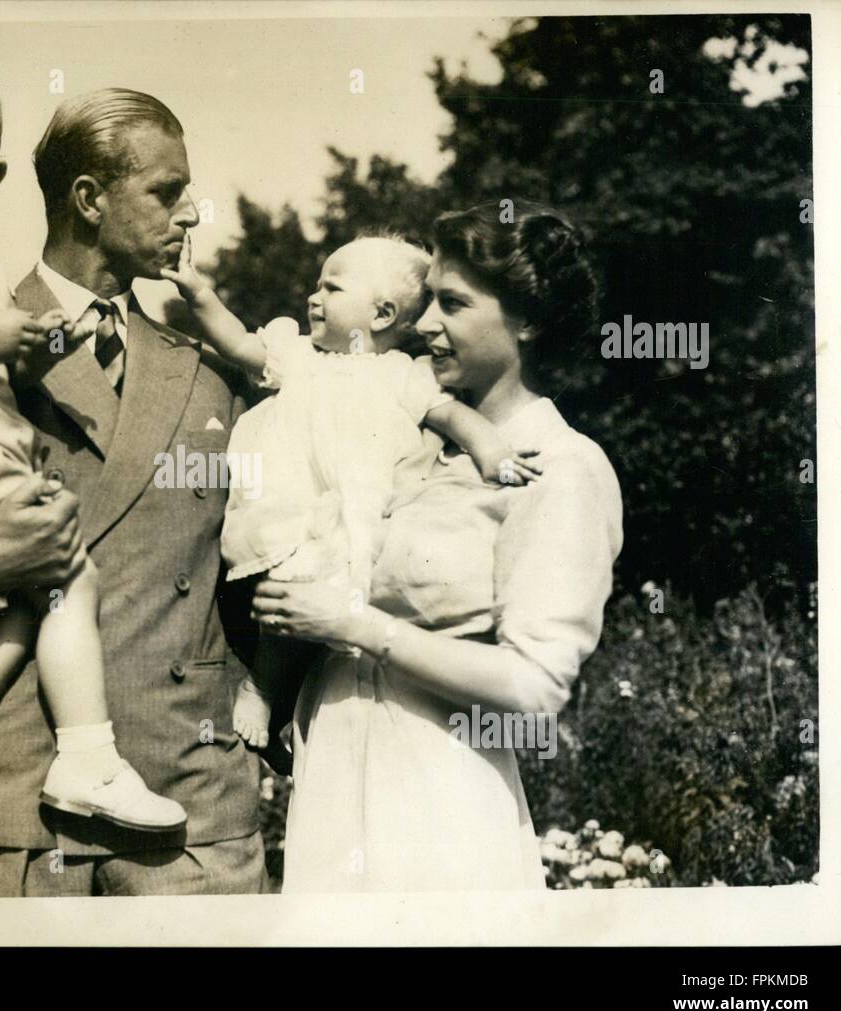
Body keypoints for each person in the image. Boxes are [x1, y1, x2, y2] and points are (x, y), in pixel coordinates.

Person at [0, 86, 270, 896]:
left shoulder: (214, 368)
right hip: (19, 813)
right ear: (88, 198)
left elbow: (272, 553)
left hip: (189, 809)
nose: (190, 214)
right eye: (166, 191)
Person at [249, 202, 624, 892]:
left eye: (452, 303)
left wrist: (351, 624)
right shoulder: (421, 449)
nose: (424, 325)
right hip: (332, 782)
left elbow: (534, 687)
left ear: (529, 320)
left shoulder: (561, 467)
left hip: (437, 805)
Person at [161, 234, 541, 749]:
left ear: (382, 315)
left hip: (353, 519)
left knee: (329, 611)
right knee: (287, 593)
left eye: (332, 288)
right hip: (290, 508)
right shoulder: (299, 356)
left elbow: (452, 415)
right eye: (317, 286)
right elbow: (239, 344)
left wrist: (492, 452)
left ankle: (296, 711)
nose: (313, 298)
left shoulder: (403, 376)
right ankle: (263, 687)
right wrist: (198, 293)